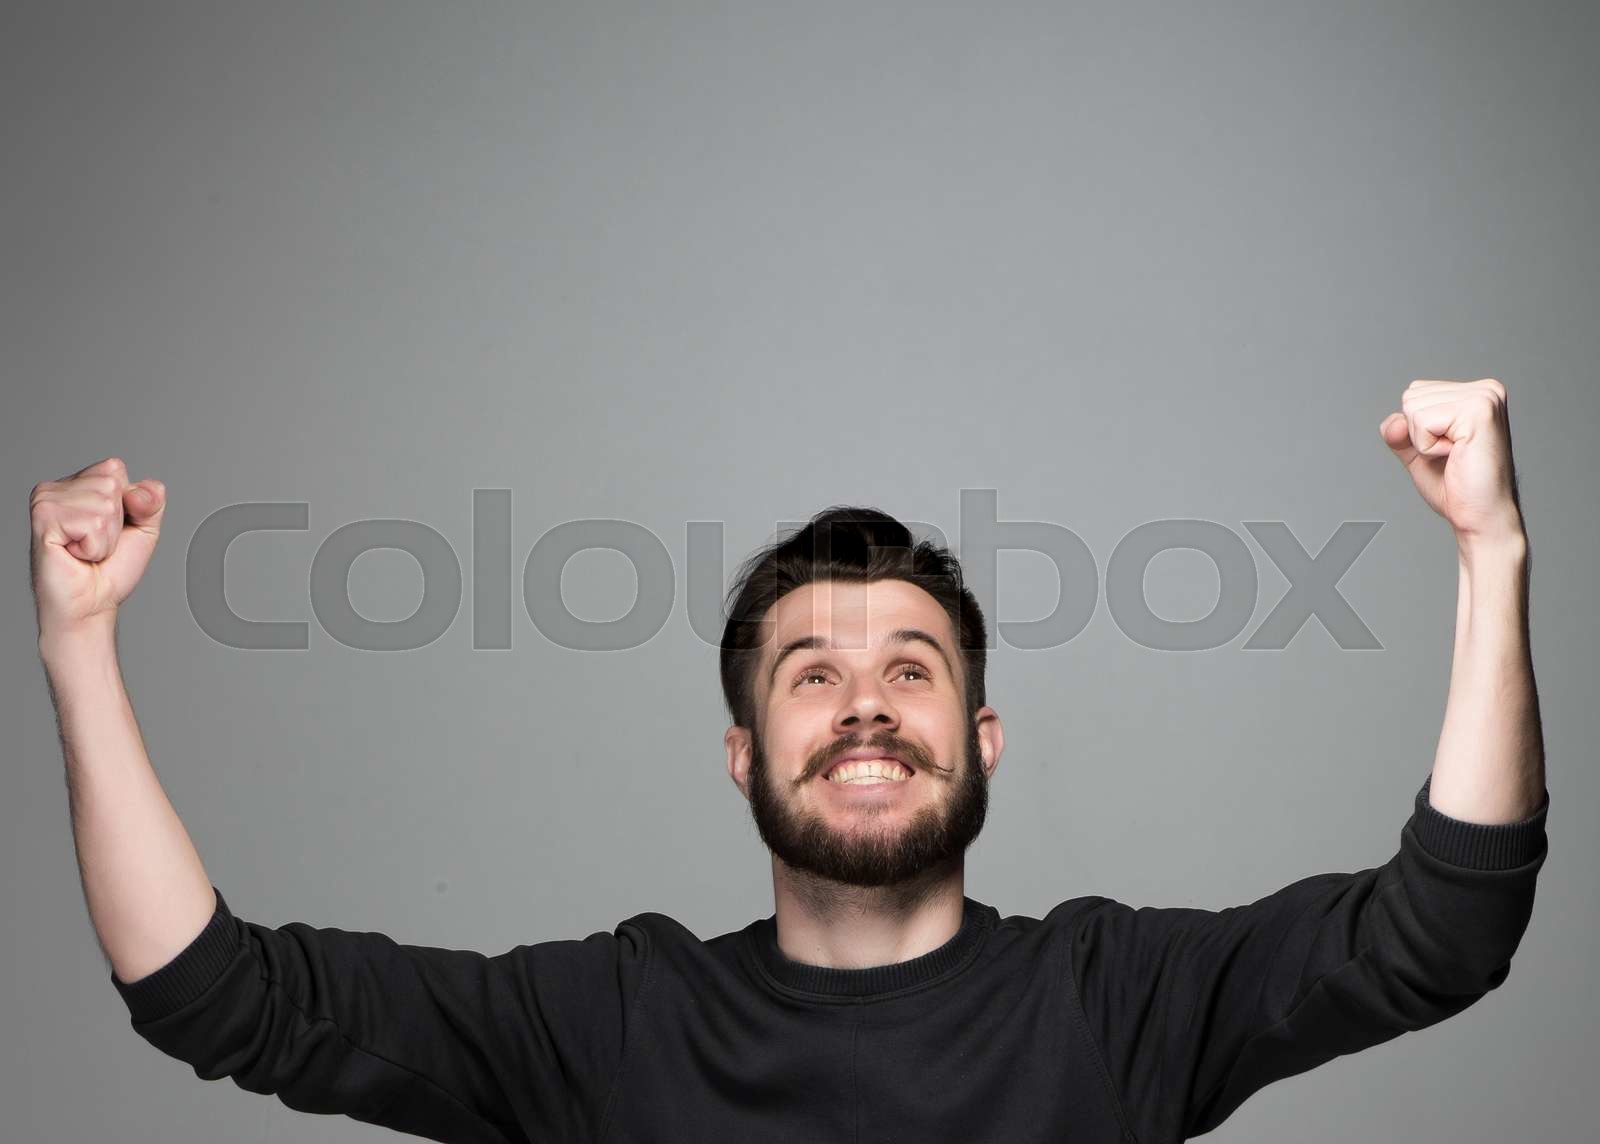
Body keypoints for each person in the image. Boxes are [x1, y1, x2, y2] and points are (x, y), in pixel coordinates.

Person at [28, 378, 1548, 1143]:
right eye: (815, 677)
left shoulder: (1113, 1002)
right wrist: (78, 646)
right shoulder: (614, 1023)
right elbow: (212, 995)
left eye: (912, 671)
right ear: (746, 756)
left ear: (986, 738)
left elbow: (1447, 928)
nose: (868, 707)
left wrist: (1490, 549)